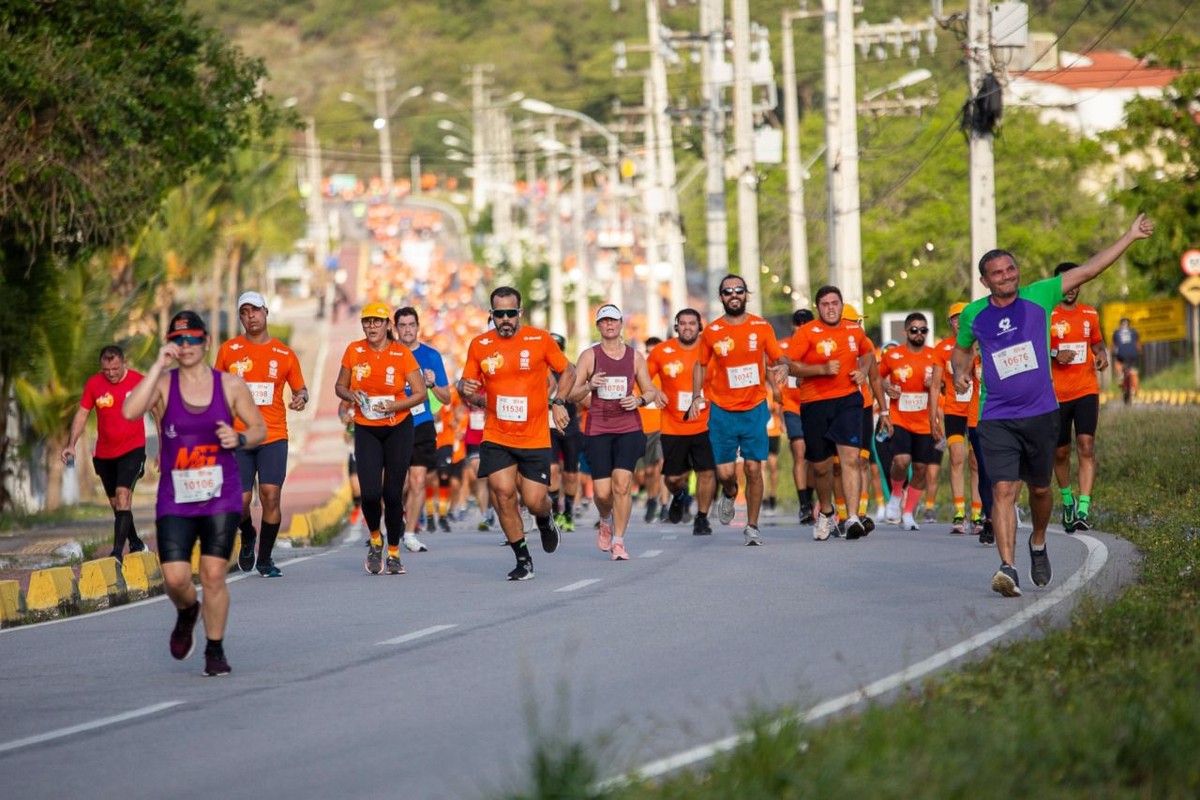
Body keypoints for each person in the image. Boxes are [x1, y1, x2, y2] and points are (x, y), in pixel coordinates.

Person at [952, 214, 1154, 597]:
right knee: (1003, 490)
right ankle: (1007, 567)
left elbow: (1091, 269)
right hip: (996, 416)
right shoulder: (973, 314)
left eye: (1010, 268)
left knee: (1040, 490)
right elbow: (961, 352)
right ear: (984, 281)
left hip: (1042, 412)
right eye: (997, 273)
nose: (1007, 276)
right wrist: (960, 372)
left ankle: (1039, 543)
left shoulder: (1040, 294)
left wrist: (1128, 236)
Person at [122, 310, 266, 676]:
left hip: (221, 495)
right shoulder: (164, 385)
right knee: (175, 578)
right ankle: (188, 612)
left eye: (192, 339)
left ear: (206, 342)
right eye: (177, 340)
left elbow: (260, 428)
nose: (185, 346)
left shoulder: (230, 385)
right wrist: (157, 364)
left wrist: (241, 438)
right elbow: (129, 411)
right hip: (176, 498)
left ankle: (214, 650)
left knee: (214, 574)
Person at [458, 287, 576, 580]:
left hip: (534, 435)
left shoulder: (539, 339)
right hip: (497, 434)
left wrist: (559, 401)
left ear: (519, 313)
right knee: (503, 493)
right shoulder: (480, 345)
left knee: (535, 500)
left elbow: (569, 370)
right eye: (500, 314)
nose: (506, 319)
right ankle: (523, 558)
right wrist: (468, 391)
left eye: (511, 313)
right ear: (492, 315)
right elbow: (466, 386)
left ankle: (546, 518)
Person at [688, 275, 791, 546]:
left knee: (755, 469)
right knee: (725, 474)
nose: (734, 295)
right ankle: (730, 493)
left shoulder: (761, 326)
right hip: (721, 410)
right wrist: (696, 395)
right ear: (721, 297)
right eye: (727, 291)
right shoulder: (712, 331)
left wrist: (783, 367)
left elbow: (779, 358)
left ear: (747, 294)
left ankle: (753, 526)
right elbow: (700, 365)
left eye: (739, 290)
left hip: (754, 408)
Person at [214, 291, 309, 578]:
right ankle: (247, 534)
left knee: (270, 496)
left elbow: (300, 389)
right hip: (239, 438)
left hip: (273, 436)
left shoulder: (284, 354)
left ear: (266, 312)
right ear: (240, 316)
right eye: (244, 312)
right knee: (240, 501)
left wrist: (301, 398)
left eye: (255, 310)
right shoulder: (228, 351)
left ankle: (265, 559)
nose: (251, 316)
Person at [789, 287, 890, 540]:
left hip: (848, 401)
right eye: (825, 304)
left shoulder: (854, 330)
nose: (831, 308)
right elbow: (789, 365)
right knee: (821, 467)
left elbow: (867, 354)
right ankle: (825, 511)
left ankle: (853, 517)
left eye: (835, 303)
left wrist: (864, 370)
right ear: (817, 307)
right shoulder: (806, 332)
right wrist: (821, 369)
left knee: (852, 459)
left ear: (842, 305)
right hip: (815, 403)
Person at [334, 302, 427, 576]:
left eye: (377, 321)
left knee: (393, 493)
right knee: (371, 493)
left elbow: (420, 393)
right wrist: (352, 395)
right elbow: (339, 386)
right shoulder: (354, 350)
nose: (372, 326)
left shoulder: (401, 354)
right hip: (367, 427)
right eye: (367, 322)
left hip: (398, 426)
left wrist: (395, 407)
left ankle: (395, 552)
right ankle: (376, 539)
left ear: (388, 325)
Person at [568, 304, 663, 561]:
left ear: (620, 324)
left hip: (629, 428)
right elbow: (572, 394)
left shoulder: (634, 357)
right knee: (602, 493)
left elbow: (651, 390)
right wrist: (590, 385)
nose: (609, 325)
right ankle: (605, 519)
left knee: (622, 484)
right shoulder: (590, 356)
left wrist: (640, 401)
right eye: (604, 321)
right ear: (598, 326)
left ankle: (619, 541)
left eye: (613, 321)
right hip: (598, 429)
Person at [63, 345, 152, 562]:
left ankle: (116, 554)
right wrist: (71, 444)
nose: (111, 373)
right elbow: (82, 415)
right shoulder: (94, 384)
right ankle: (136, 542)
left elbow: (158, 410)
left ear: (124, 363)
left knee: (123, 496)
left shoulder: (139, 381)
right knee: (116, 504)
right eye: (106, 369)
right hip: (104, 454)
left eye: (115, 368)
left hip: (133, 449)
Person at [648, 308, 718, 536]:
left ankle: (702, 517)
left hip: (705, 423)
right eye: (683, 323)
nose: (688, 327)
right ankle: (679, 496)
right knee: (673, 478)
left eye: (692, 323)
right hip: (672, 425)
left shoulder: (710, 352)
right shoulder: (661, 351)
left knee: (707, 472)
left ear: (700, 327)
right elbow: (640, 378)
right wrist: (654, 392)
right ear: (676, 327)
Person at [1050, 262, 1108, 532]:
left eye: (1075, 283)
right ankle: (1068, 500)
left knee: (1086, 445)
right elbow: (1034, 349)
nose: (1071, 288)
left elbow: (1097, 343)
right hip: (1055, 394)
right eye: (1066, 283)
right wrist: (1055, 354)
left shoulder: (1090, 314)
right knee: (1060, 452)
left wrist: (1102, 355)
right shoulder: (1046, 314)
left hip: (1086, 390)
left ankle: (1084, 508)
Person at [392, 306, 451, 552]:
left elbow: (446, 397)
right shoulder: (388, 354)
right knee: (397, 484)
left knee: (417, 481)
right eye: (402, 325)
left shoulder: (431, 356)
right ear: (395, 329)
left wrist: (432, 383)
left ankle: (409, 534)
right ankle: (394, 523)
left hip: (421, 423)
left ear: (418, 327)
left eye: (411, 325)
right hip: (393, 424)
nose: (407, 330)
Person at [878, 312, 938, 531]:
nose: (918, 334)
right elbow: (876, 377)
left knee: (921, 469)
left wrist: (935, 383)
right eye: (914, 330)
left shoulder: (934, 355)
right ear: (905, 332)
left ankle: (908, 512)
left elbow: (946, 386)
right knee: (902, 461)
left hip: (924, 421)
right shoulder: (893, 356)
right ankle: (895, 495)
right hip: (900, 418)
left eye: (923, 330)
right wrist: (887, 388)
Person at [929, 302, 975, 534]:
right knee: (957, 458)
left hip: (977, 410)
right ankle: (959, 513)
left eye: (963, 317)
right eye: (955, 319)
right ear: (950, 323)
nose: (959, 322)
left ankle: (978, 512)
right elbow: (935, 385)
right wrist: (932, 418)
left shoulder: (980, 343)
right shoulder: (942, 348)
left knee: (976, 461)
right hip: (953, 411)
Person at [777, 309, 816, 525]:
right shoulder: (783, 347)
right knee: (799, 452)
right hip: (792, 407)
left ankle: (809, 499)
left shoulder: (818, 346)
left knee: (813, 458)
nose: (800, 327)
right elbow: (769, 368)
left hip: (814, 405)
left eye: (805, 323)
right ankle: (803, 505)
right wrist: (776, 394)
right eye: (797, 323)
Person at [548, 333, 582, 534]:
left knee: (570, 474)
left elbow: (581, 400)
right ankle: (554, 512)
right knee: (552, 471)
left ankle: (568, 513)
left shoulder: (571, 370)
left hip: (569, 428)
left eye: (558, 348)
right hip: (548, 427)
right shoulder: (540, 370)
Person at [1112, 317, 1141, 401]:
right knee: (1134, 372)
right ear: (1129, 324)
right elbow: (1138, 345)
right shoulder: (1134, 332)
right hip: (1132, 355)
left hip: (1121, 355)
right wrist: (1139, 353)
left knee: (1117, 362)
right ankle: (1135, 391)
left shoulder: (1116, 332)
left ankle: (1120, 375)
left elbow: (1114, 346)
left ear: (1120, 325)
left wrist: (1113, 353)